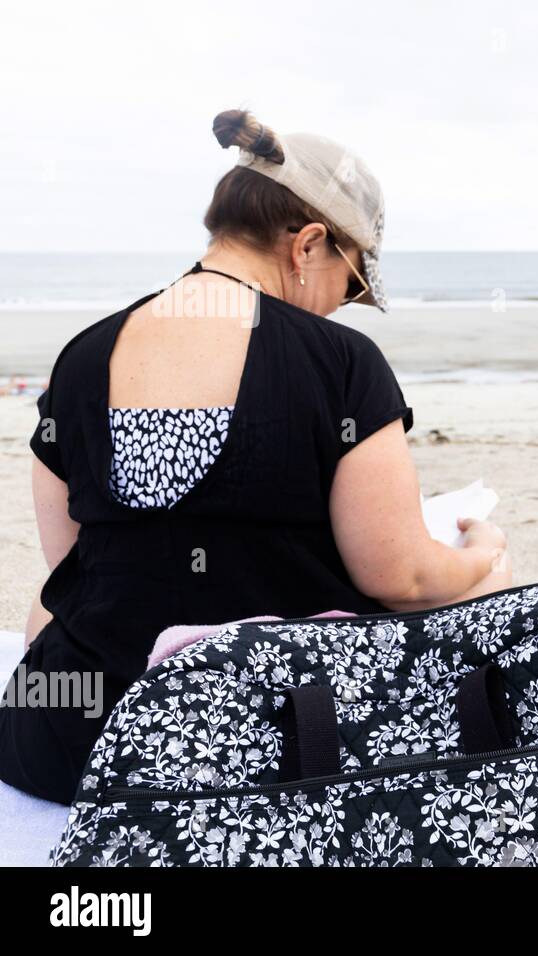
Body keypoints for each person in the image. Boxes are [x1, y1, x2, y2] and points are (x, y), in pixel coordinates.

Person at [0, 110, 511, 804]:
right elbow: (404, 578)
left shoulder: (83, 357)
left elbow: (71, 569)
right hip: (263, 740)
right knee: (476, 589)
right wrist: (483, 557)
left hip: (65, 744)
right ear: (308, 245)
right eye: (353, 283)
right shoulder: (339, 362)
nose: (343, 307)